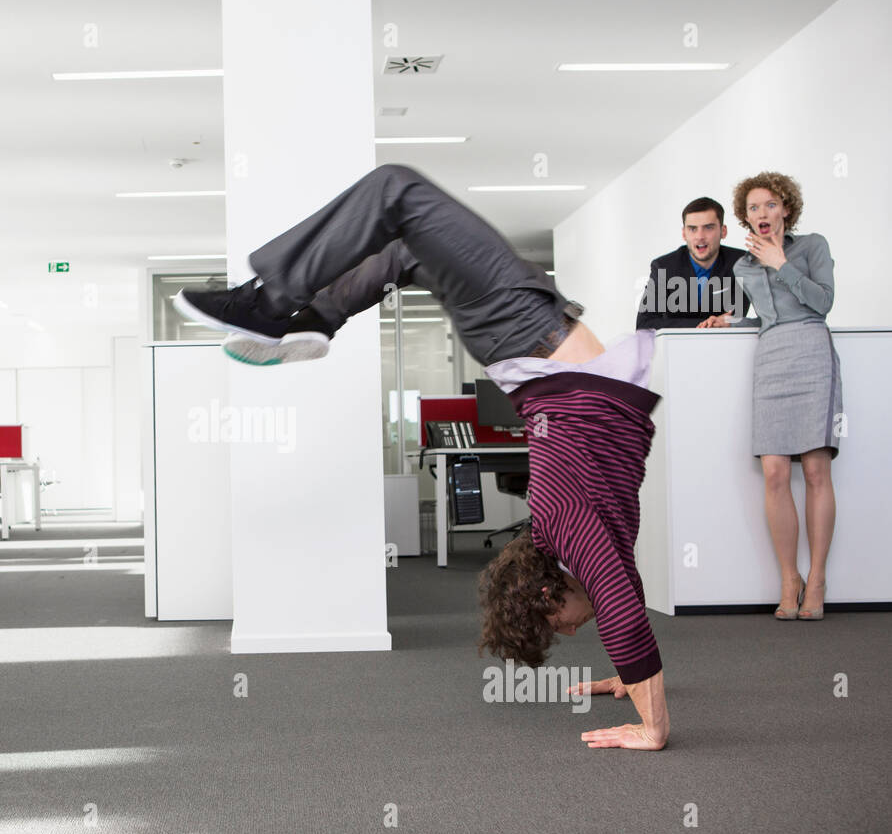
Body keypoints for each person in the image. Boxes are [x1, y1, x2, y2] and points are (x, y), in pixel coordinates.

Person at [174, 164, 668, 751]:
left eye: (552, 627)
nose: (566, 629)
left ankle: (290, 309)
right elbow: (623, 603)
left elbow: (621, 605)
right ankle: (297, 311)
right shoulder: (574, 533)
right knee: (401, 217)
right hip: (524, 331)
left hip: (523, 334)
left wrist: (638, 687)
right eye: (554, 626)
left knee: (401, 204)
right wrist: (650, 718)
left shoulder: (570, 530)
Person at [702, 172, 839, 621]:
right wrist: (730, 321)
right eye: (754, 208)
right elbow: (766, 318)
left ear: (786, 209)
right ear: (746, 216)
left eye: (770, 205)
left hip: (812, 352)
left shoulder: (811, 246)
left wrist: (782, 262)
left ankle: (817, 579)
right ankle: (789, 578)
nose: (762, 214)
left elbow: (821, 303)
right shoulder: (744, 265)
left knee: (817, 470)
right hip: (773, 358)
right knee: (775, 474)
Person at [635, 196, 750, 329]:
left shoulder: (741, 262)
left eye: (708, 227)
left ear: (723, 231)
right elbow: (644, 325)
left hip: (725, 345)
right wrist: (706, 324)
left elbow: (738, 317)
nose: (700, 236)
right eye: (692, 229)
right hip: (678, 347)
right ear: (684, 234)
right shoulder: (663, 266)